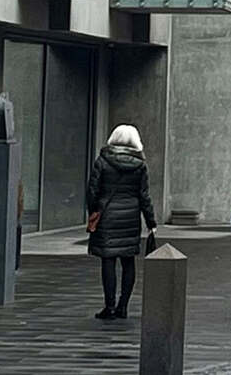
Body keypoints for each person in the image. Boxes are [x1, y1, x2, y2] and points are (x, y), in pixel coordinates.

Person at [86, 124, 157, 321]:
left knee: (108, 261)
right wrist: (151, 221)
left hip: (107, 216)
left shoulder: (102, 161)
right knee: (128, 261)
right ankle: (123, 306)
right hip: (130, 217)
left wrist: (93, 211)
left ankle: (109, 307)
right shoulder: (140, 165)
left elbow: (92, 190)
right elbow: (144, 196)